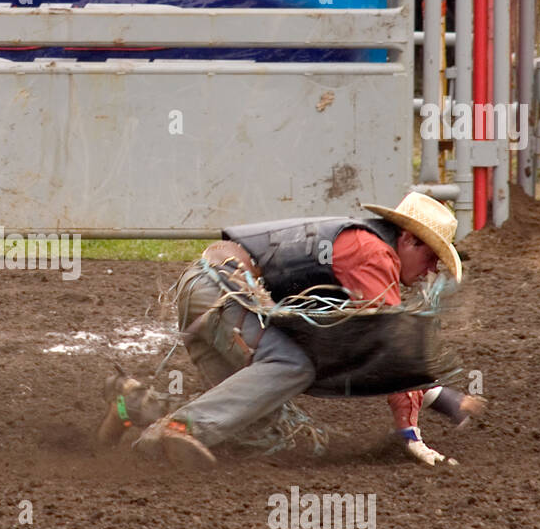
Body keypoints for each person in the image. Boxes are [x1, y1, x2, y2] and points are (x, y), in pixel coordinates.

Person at [101, 192, 484, 470]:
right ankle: (177, 427)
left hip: (209, 292)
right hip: (222, 293)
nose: (432, 269)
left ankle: (134, 405)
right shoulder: (374, 255)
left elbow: (384, 350)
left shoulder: (365, 245)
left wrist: (440, 399)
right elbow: (393, 352)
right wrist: (415, 429)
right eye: (432, 256)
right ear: (407, 239)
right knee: (293, 365)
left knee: (267, 433)